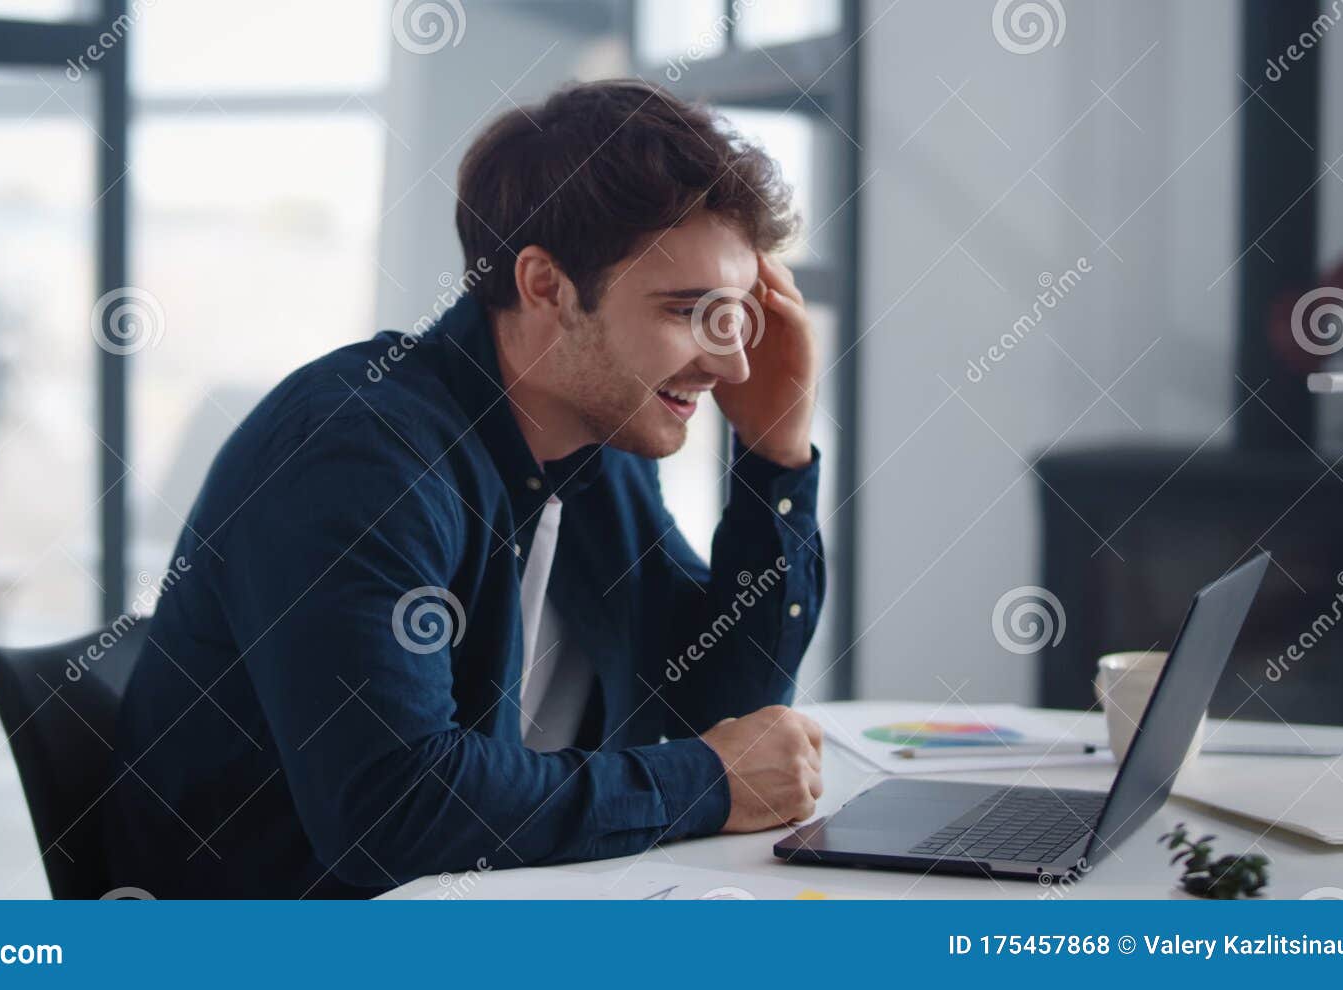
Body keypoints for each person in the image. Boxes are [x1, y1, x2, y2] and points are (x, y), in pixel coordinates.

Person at [105, 79, 827, 898]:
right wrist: (701, 782)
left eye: (734, 315)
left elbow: (722, 717)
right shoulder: (358, 455)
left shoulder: (601, 448)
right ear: (545, 285)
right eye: (687, 311)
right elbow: (394, 810)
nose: (731, 362)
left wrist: (776, 459)